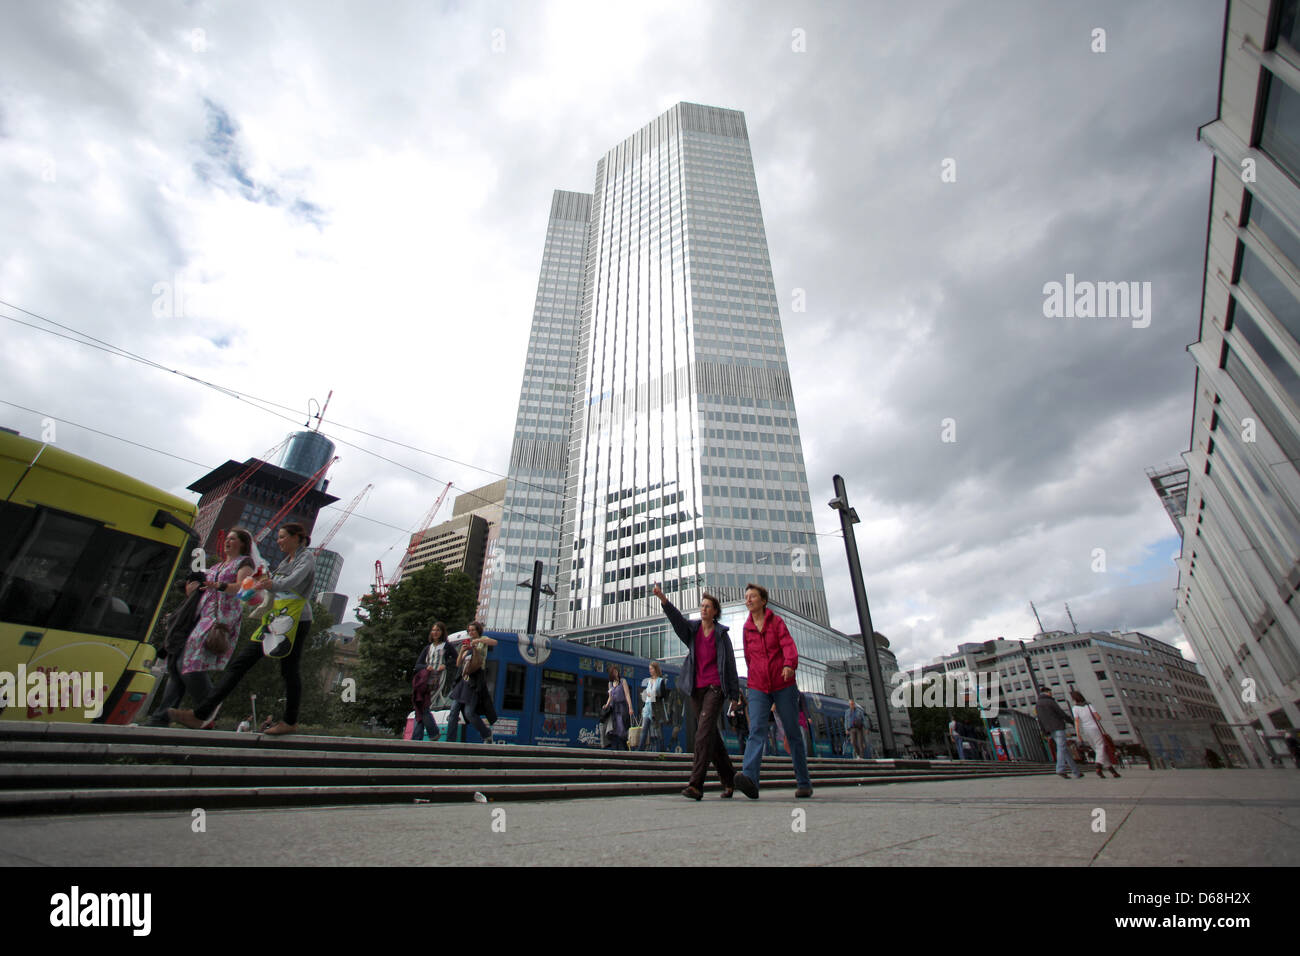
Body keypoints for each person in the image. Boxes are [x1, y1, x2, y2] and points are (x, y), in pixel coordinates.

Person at [170, 523, 316, 736]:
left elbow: (290, 582)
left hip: (296, 620)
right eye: (278, 537)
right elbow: (273, 587)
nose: (279, 541)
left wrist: (267, 583)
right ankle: (201, 714)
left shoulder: (306, 558)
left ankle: (290, 721)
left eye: (283, 537)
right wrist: (258, 587)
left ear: (297, 537)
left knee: (289, 670)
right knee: (240, 664)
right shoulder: (286, 561)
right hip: (275, 618)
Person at [653, 584, 738, 799]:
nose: (704, 609)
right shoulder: (692, 630)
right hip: (696, 690)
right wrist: (664, 599)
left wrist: (735, 695)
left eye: (708, 606)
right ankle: (730, 779)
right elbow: (677, 622)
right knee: (711, 736)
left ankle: (695, 784)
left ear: (715, 611)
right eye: (702, 606)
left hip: (715, 689)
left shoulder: (722, 635)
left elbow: (730, 665)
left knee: (702, 733)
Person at [733, 583, 812, 799]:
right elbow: (749, 657)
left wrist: (789, 664)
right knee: (756, 729)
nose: (748, 599)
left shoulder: (776, 621)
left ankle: (804, 782)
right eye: (746, 596)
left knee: (792, 732)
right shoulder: (747, 628)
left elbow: (788, 645)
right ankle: (750, 779)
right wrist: (753, 679)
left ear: (763, 600)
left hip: (783, 684)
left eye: (752, 596)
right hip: (758, 686)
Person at [444, 622, 496, 744]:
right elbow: (458, 664)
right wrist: (462, 651)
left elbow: (494, 642)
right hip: (463, 680)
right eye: (469, 630)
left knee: (469, 713)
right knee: (453, 711)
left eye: (473, 630)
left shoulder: (482, 640)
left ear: (478, 630)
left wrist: (477, 642)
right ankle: (450, 741)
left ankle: (487, 733)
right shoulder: (468, 644)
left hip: (474, 680)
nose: (471, 632)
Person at [410, 622, 450, 742]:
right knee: (421, 707)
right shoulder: (428, 648)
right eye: (433, 630)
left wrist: (445, 665)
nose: (435, 632)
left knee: (423, 706)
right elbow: (418, 665)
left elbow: (455, 659)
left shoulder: (446, 646)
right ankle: (423, 736)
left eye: (438, 630)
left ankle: (429, 733)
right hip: (425, 679)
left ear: (442, 632)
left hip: (436, 679)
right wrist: (426, 667)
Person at [1071, 690, 1121, 778]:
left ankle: (1112, 771)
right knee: (1100, 747)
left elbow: (1077, 721)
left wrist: (1078, 733)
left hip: (1086, 730)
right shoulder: (1089, 706)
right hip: (1094, 728)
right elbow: (1098, 717)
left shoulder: (1075, 708)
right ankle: (1098, 766)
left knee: (1097, 750)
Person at [1035, 687, 1081, 779]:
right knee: (1061, 748)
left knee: (1064, 749)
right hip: (1058, 727)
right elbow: (1061, 713)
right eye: (1050, 692)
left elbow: (1039, 719)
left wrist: (1044, 731)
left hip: (1049, 729)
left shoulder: (1038, 704)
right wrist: (1071, 721)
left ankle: (1076, 771)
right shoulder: (1050, 702)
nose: (1052, 694)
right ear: (1047, 692)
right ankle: (1060, 769)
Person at [601, 663, 635, 751]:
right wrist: (607, 705)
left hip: (622, 707)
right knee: (613, 730)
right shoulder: (610, 684)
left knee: (621, 729)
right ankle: (615, 749)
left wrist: (630, 707)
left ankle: (626, 748)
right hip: (613, 708)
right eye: (614, 672)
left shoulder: (623, 681)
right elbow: (610, 697)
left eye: (616, 671)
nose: (616, 673)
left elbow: (627, 695)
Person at [638, 662, 666, 752]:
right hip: (647, 708)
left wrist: (654, 695)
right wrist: (644, 695)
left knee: (659, 733)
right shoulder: (649, 681)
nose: (650, 671)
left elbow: (663, 695)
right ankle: (640, 750)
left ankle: (662, 751)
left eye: (652, 669)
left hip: (656, 709)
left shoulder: (661, 681)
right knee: (644, 730)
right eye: (649, 669)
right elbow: (647, 694)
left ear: (656, 669)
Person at [728, 691, 749, 755]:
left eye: (739, 694)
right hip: (737, 725)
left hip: (744, 725)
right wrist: (732, 724)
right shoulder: (733, 704)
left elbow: (746, 714)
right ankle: (742, 753)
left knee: (743, 739)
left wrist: (749, 723)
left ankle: (744, 753)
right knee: (740, 739)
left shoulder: (744, 704)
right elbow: (729, 714)